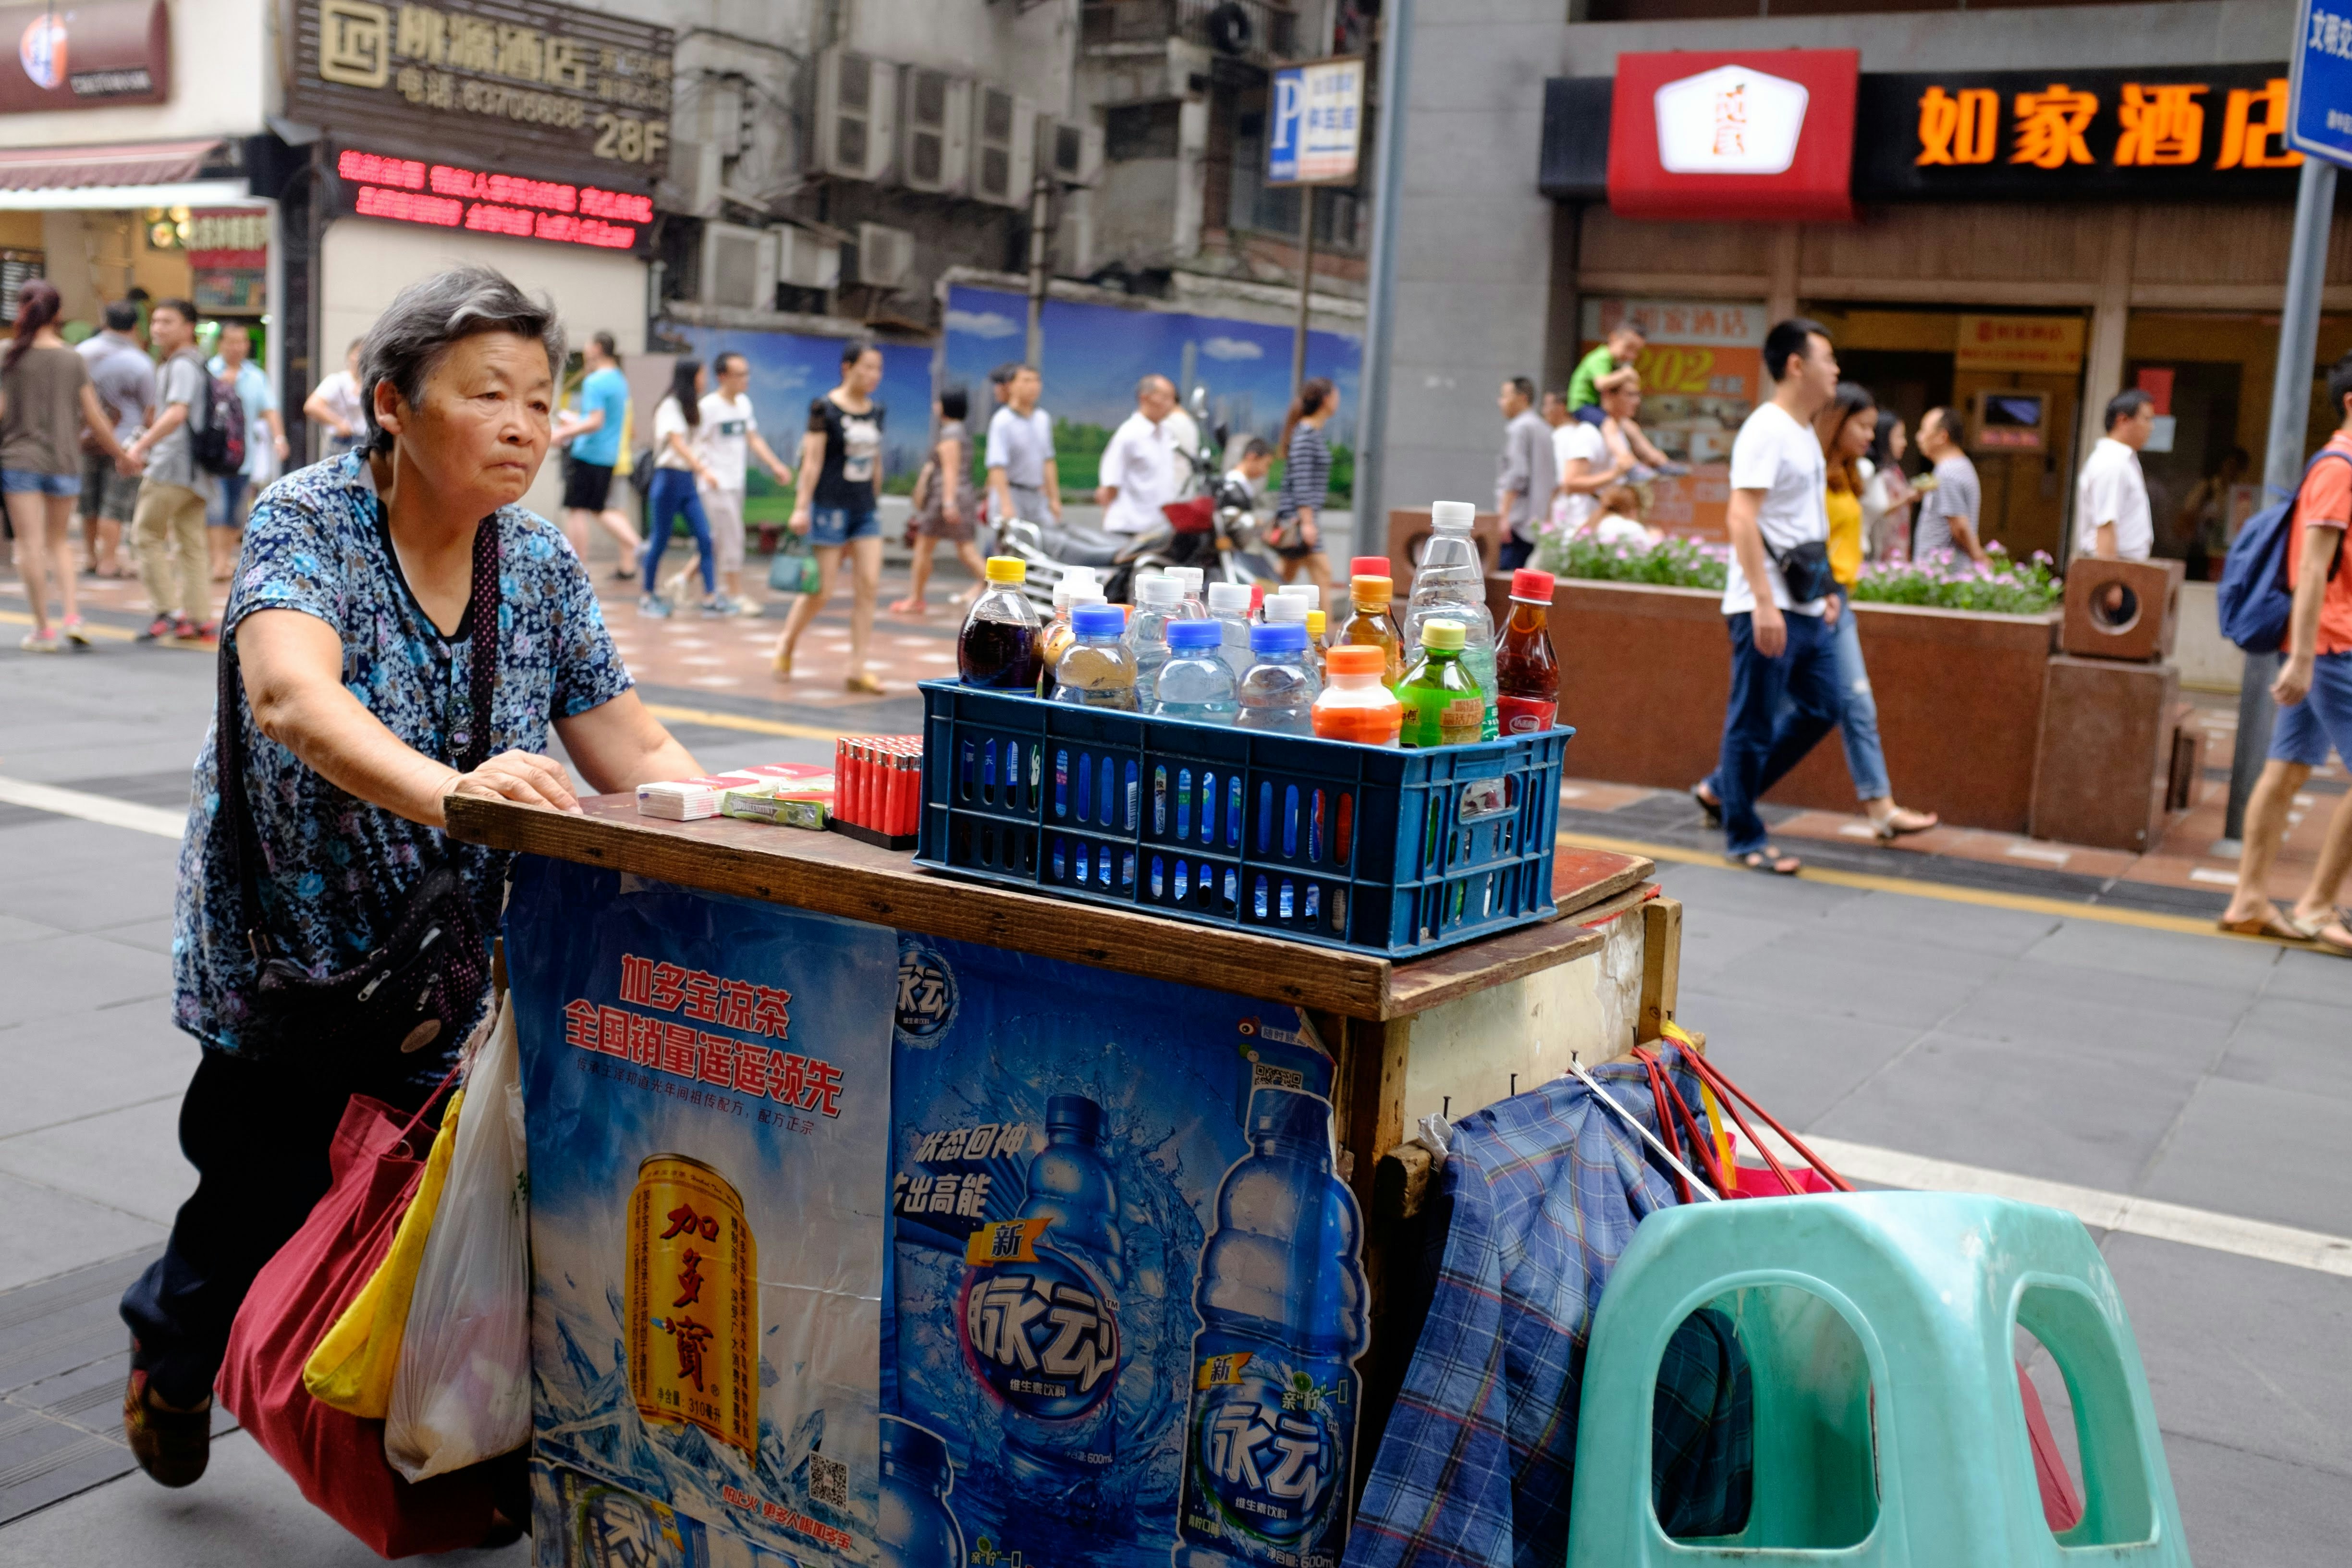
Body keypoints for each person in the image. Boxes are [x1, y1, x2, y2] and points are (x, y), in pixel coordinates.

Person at [118, 265, 699, 1503]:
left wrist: (741, 840)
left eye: (541, 403)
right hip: (294, 959)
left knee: (438, 1211)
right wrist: (457, 789)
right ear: (392, 402)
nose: (523, 426)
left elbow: (632, 746)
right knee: (255, 1205)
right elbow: (290, 695)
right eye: (487, 393)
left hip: (447, 978)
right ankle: (173, 1358)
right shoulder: (305, 522)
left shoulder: (537, 565)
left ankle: (433, 1460)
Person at [1701, 317, 1846, 875]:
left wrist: (1827, 588)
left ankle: (1723, 789)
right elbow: (1742, 517)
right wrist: (1763, 602)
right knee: (1753, 723)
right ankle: (1745, 836)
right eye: (1828, 358)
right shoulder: (1766, 428)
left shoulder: (1803, 429)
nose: (1836, 370)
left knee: (1823, 706)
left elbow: (1800, 523)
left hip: (1807, 604)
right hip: (1766, 607)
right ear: (1796, 365)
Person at [2220, 352, 2352, 956]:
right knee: (2289, 770)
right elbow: (2312, 567)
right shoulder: (2340, 467)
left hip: (2323, 643)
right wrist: (2300, 658)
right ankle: (2319, 904)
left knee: (2288, 769)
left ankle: (2249, 900)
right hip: (2332, 645)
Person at [1807, 383, 1936, 840]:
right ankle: (1724, 791)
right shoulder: (1808, 471)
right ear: (1836, 422)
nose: (1871, 434)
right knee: (1793, 710)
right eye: (1862, 425)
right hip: (1812, 599)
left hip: (1837, 596)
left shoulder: (1853, 472)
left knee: (1849, 704)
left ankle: (1881, 808)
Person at [2, 280, 134, 650]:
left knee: (29, 544)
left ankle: (43, 629)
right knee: (59, 543)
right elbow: (95, 416)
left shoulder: (8, 355)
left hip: (19, 459)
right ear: (58, 314)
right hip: (64, 461)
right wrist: (122, 455)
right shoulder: (71, 358)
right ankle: (73, 615)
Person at [772, 340, 887, 691]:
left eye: (878, 369)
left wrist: (876, 499)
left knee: (868, 585)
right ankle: (786, 643)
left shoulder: (876, 411)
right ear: (847, 367)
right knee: (821, 590)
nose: (872, 375)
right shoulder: (824, 407)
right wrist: (801, 506)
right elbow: (812, 461)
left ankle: (857, 667)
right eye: (866, 367)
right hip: (829, 508)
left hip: (864, 508)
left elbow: (876, 459)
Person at [123, 298, 216, 642]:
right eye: (156, 322)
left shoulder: (180, 365)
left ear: (189, 327)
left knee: (145, 535)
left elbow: (177, 413)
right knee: (191, 543)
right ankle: (199, 617)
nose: (158, 328)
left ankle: (167, 611)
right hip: (198, 471)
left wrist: (140, 446)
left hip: (172, 464)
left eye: (168, 322)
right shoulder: (201, 364)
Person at [695, 349, 794, 615]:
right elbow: (695, 443)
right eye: (739, 375)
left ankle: (682, 581)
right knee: (733, 537)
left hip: (736, 482)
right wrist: (705, 471)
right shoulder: (708, 407)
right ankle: (735, 594)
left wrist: (775, 465)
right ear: (722, 377)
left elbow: (754, 439)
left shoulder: (744, 405)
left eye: (747, 374)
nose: (745, 379)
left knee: (718, 538)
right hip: (716, 484)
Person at [551, 330, 643, 580]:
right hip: (608, 455)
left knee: (577, 509)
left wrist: (563, 432)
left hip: (589, 453)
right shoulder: (618, 379)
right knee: (597, 508)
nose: (586, 346)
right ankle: (638, 546)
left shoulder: (595, 381)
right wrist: (575, 421)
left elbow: (595, 422)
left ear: (599, 348)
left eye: (590, 342)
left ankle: (577, 568)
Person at [76, 298, 154, 579]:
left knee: (89, 501)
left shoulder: (81, 353)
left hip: (85, 438)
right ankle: (109, 561)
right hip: (126, 442)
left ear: (105, 323)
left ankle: (90, 556)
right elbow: (150, 408)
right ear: (135, 326)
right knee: (115, 502)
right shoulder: (141, 362)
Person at [638, 358, 722, 619]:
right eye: (702, 373)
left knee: (705, 539)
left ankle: (711, 598)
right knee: (660, 541)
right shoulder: (670, 406)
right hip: (668, 480)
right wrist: (703, 469)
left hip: (687, 484)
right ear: (691, 376)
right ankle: (647, 596)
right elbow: (676, 442)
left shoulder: (692, 407)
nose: (705, 378)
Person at [207, 322, 288, 582]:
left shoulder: (255, 376)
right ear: (221, 344)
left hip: (243, 457)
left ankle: (224, 559)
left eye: (242, 342)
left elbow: (270, 409)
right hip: (214, 457)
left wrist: (280, 438)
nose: (237, 347)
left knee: (236, 511)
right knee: (216, 510)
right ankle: (218, 562)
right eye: (231, 341)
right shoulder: (209, 372)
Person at [893, 387, 984, 615]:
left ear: (947, 406)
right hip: (958, 497)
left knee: (925, 548)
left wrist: (948, 503)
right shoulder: (960, 431)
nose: (935, 406)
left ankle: (915, 599)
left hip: (945, 497)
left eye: (939, 402)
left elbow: (950, 471)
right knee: (965, 550)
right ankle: (1002, 589)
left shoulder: (951, 434)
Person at [1272, 378, 1339, 597]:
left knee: (1282, 578)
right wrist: (1308, 523)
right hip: (1298, 519)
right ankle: (1326, 631)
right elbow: (1302, 481)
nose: (1338, 401)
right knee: (1322, 573)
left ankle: (1259, 615)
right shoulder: (1306, 435)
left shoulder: (1309, 433)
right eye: (1336, 395)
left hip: (1301, 519)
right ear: (1327, 399)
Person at [1097, 373, 1184, 537]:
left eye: (1173, 398)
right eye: (1165, 397)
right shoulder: (1129, 434)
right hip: (1129, 529)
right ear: (1144, 398)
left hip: (1157, 529)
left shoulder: (1165, 433)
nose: (1170, 404)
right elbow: (1109, 487)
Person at [2077, 388, 2156, 563]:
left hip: (2124, 567)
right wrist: (2111, 585)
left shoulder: (2124, 459)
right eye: (2147, 419)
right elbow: (2106, 525)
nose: (2151, 427)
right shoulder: (2112, 462)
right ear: (2123, 421)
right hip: (2115, 568)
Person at [1553, 373, 1636, 536]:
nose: (1636, 401)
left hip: (1605, 526)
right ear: (1608, 395)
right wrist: (1614, 474)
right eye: (1630, 395)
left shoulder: (1619, 433)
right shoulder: (1589, 433)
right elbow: (1570, 483)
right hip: (1582, 524)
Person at [1912, 406, 1987, 567]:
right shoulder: (1959, 466)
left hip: (1943, 576)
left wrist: (1981, 560)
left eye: (1924, 431)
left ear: (1942, 436)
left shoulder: (1949, 472)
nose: (1919, 437)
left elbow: (1959, 528)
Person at [986, 362, 1059, 527]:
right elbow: (997, 466)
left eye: (1037, 381)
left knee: (1043, 543)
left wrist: (1054, 499)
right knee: (1009, 549)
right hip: (1012, 493)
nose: (1033, 386)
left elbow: (1048, 460)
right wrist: (1006, 504)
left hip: (1037, 495)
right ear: (1011, 386)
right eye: (1026, 381)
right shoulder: (1002, 421)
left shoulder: (1043, 419)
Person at [1495, 375, 1556, 572]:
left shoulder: (1520, 428)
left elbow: (1517, 475)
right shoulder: (1545, 428)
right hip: (1536, 523)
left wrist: (1504, 517)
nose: (1501, 402)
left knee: (1506, 581)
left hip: (1517, 522)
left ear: (1522, 398)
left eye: (1505, 396)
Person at [2180, 446, 2249, 580]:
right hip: (2202, 551)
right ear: (2222, 465)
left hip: (2229, 551)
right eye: (2230, 465)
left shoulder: (2243, 494)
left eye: (2238, 467)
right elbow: (2188, 512)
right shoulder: (2208, 488)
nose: (2233, 471)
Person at [1861, 410, 1917, 564]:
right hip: (1881, 545)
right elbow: (1877, 510)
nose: (1904, 443)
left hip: (1899, 543)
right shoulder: (1873, 473)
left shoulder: (1896, 470)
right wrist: (1907, 498)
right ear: (1884, 437)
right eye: (1899, 437)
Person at [1566, 320, 1645, 425]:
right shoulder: (1602, 357)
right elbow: (1601, 383)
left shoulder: (1613, 362)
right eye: (1629, 348)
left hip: (1594, 405)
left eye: (1636, 352)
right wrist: (1626, 374)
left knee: (1627, 426)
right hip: (1582, 405)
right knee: (1608, 424)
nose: (1631, 355)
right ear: (1613, 338)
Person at [302, 338, 366, 458]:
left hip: (368, 441)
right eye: (358, 353)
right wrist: (339, 423)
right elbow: (312, 406)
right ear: (349, 356)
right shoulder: (338, 381)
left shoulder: (371, 383)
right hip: (344, 442)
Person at [1224, 436, 1274, 502]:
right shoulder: (1233, 485)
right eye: (1267, 465)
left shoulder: (1243, 485)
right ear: (1252, 457)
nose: (1265, 472)